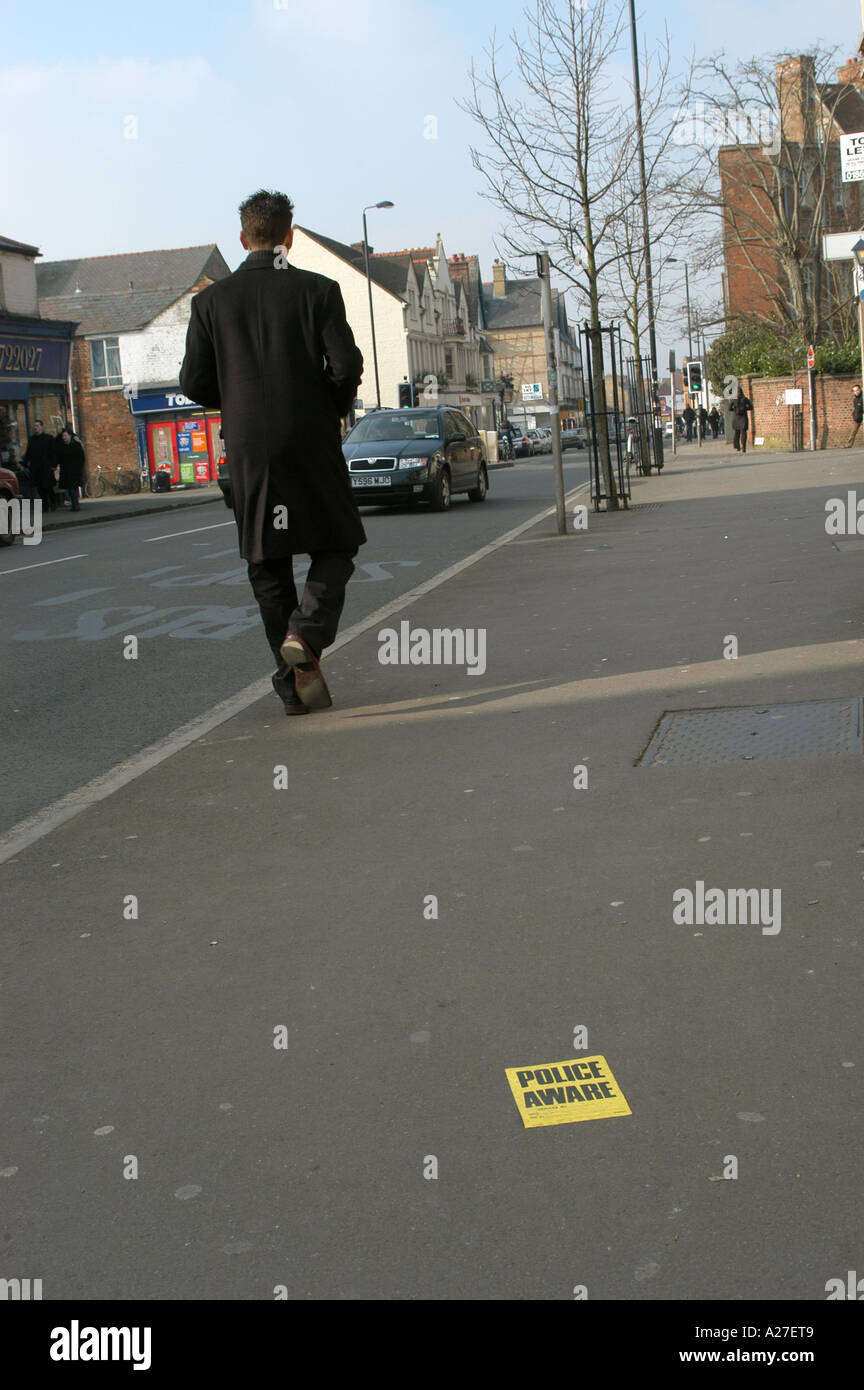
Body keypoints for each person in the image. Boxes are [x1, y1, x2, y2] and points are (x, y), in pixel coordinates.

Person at [179, 188, 364, 715]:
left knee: (267, 564)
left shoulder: (210, 303)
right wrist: (328, 406)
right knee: (338, 540)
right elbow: (346, 367)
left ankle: (292, 685)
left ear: (243, 238)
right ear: (288, 236)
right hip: (310, 443)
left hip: (247, 452)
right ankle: (305, 635)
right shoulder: (318, 291)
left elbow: (192, 381)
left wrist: (235, 402)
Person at [23, 419, 58, 510]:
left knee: (48, 487)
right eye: (34, 426)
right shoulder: (32, 439)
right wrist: (24, 463)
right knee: (40, 488)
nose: (35, 428)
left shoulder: (48, 438)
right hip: (36, 467)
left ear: (42, 427)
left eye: (37, 426)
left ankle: (53, 503)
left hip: (46, 467)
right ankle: (45, 506)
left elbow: (53, 452)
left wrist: (54, 465)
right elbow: (28, 453)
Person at [55, 425, 85, 510]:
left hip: (75, 470)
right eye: (63, 436)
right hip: (66, 471)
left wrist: (78, 467)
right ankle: (74, 504)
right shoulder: (62, 447)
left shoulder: (76, 445)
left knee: (73, 488)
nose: (63, 437)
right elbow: (58, 456)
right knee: (69, 488)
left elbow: (81, 458)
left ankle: (76, 505)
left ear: (70, 436)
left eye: (65, 435)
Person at [731, 388, 753, 453]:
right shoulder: (745, 399)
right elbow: (751, 407)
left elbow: (729, 408)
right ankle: (744, 447)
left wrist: (734, 410)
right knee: (743, 433)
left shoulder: (733, 400)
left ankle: (737, 446)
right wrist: (745, 408)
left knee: (736, 433)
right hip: (743, 418)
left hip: (736, 418)